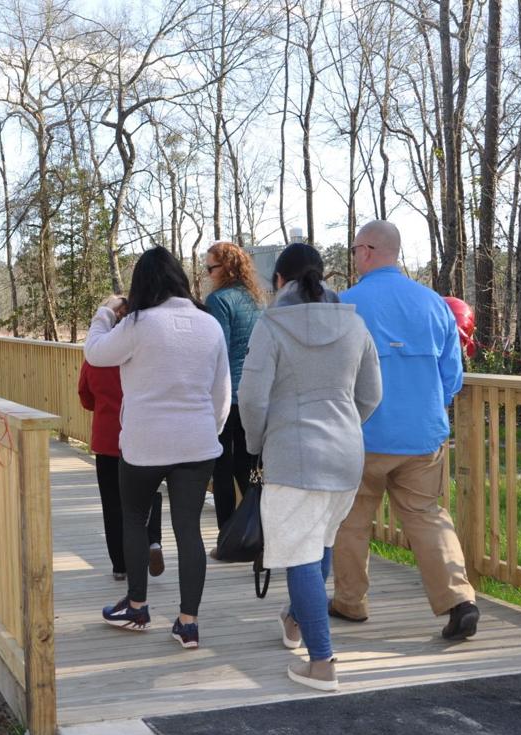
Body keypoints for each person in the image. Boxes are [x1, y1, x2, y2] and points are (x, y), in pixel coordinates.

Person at [238, 243, 381, 692]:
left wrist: (257, 443)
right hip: (345, 456)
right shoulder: (354, 324)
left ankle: (322, 663)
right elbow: (371, 394)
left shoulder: (272, 325)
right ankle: (296, 619)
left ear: (279, 281)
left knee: (301, 557)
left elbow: (253, 397)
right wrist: (342, 427)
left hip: (293, 456)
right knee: (317, 547)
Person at [329, 219, 480, 641]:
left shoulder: (345, 306)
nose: (355, 256)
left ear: (368, 251)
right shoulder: (434, 304)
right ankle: (459, 601)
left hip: (362, 436)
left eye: (356, 249)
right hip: (422, 436)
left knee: (350, 520)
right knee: (427, 517)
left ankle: (351, 602)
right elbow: (452, 376)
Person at [85, 246, 230, 650]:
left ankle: (137, 607)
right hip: (198, 443)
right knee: (189, 532)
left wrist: (104, 312)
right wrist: (209, 432)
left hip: (145, 443)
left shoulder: (137, 323)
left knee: (134, 517)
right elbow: (222, 394)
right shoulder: (209, 325)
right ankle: (188, 623)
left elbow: (95, 353)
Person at [78, 351, 166, 581]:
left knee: (112, 503)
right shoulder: (143, 351)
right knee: (148, 493)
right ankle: (153, 540)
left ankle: (120, 565)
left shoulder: (96, 356)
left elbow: (85, 396)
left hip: (107, 439)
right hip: (142, 435)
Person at [204, 241, 265, 532]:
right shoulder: (256, 300)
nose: (207, 274)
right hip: (255, 393)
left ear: (225, 268)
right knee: (249, 469)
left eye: (210, 268)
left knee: (222, 467)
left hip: (229, 395)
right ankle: (259, 531)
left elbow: (219, 351)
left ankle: (228, 535)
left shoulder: (219, 301)